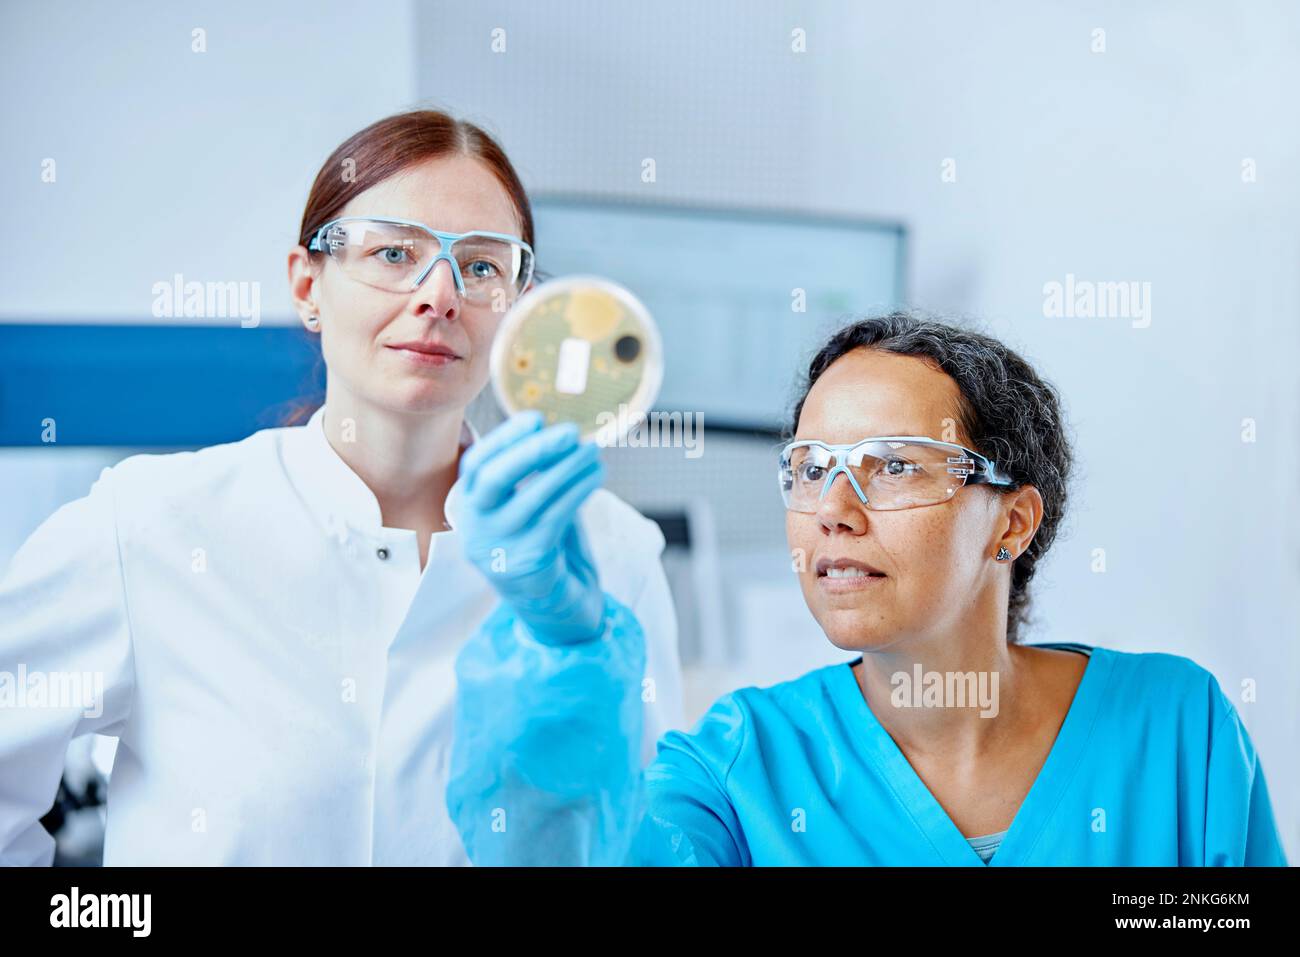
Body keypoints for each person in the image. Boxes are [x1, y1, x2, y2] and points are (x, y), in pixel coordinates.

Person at [0, 110, 683, 866]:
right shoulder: (146, 527)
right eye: (394, 252)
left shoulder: (612, 551)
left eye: (483, 266)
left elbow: (643, 846)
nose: (439, 294)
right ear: (307, 286)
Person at [447, 312, 1288, 866]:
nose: (833, 511)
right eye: (811, 469)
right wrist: (556, 644)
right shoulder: (737, 773)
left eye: (892, 465)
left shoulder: (1179, 730)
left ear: (1013, 522)